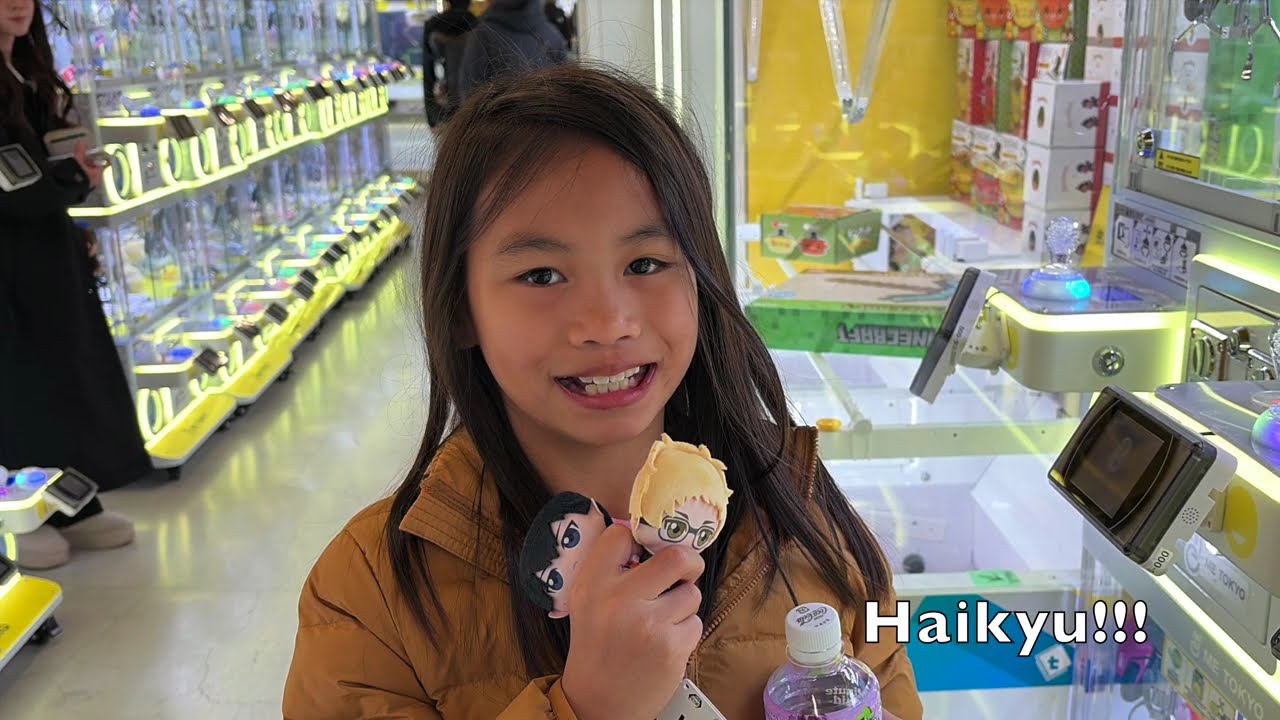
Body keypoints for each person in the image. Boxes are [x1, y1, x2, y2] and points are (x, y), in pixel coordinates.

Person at [283, 64, 922, 719]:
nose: (608, 323)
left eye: (645, 263)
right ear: (459, 310)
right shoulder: (369, 592)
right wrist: (588, 707)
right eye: (541, 274)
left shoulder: (807, 517)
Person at [0, 0, 147, 570]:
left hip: (45, 255)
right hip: (11, 267)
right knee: (24, 386)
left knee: (68, 376)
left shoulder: (27, 72)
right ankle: (22, 511)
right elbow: (13, 187)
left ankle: (72, 504)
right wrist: (69, 178)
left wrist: (72, 185)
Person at [458, 0, 568, 101]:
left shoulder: (483, 35)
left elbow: (471, 96)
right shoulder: (552, 34)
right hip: (550, 119)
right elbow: (565, 89)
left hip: (499, 120)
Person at [421, 0, 478, 129]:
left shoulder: (433, 25)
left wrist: (431, 117)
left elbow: (428, 73)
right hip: (474, 105)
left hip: (446, 105)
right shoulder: (478, 24)